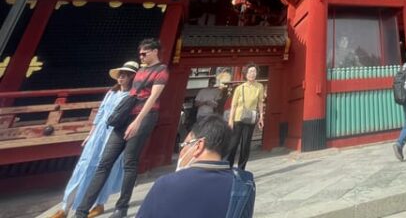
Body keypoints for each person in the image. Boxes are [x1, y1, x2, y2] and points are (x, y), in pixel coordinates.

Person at [74, 39, 169, 218]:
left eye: (144, 53)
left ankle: (122, 206)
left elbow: (153, 98)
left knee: (130, 161)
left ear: (155, 51)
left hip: (144, 116)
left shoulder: (161, 70)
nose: (141, 56)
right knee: (105, 162)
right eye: (140, 53)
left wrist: (138, 121)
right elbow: (130, 93)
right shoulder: (140, 71)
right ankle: (82, 209)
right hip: (126, 116)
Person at [51, 61, 138, 218]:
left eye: (124, 75)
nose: (121, 78)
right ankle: (65, 207)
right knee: (83, 167)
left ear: (132, 77)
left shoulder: (133, 96)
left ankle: (100, 204)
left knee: (107, 169)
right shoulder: (111, 93)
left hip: (116, 135)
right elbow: (100, 113)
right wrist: (90, 134)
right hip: (99, 134)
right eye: (120, 75)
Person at [137, 115, 255, 218]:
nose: (181, 151)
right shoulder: (245, 186)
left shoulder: (166, 184)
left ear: (199, 145)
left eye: (185, 145)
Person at [227, 64, 265, 170]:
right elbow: (233, 105)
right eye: (250, 71)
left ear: (256, 73)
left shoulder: (260, 87)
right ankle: (228, 166)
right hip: (238, 118)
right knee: (234, 144)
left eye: (254, 71)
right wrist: (230, 120)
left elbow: (260, 103)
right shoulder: (240, 88)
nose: (252, 74)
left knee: (245, 145)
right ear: (246, 74)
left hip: (250, 119)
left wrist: (261, 117)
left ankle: (241, 168)